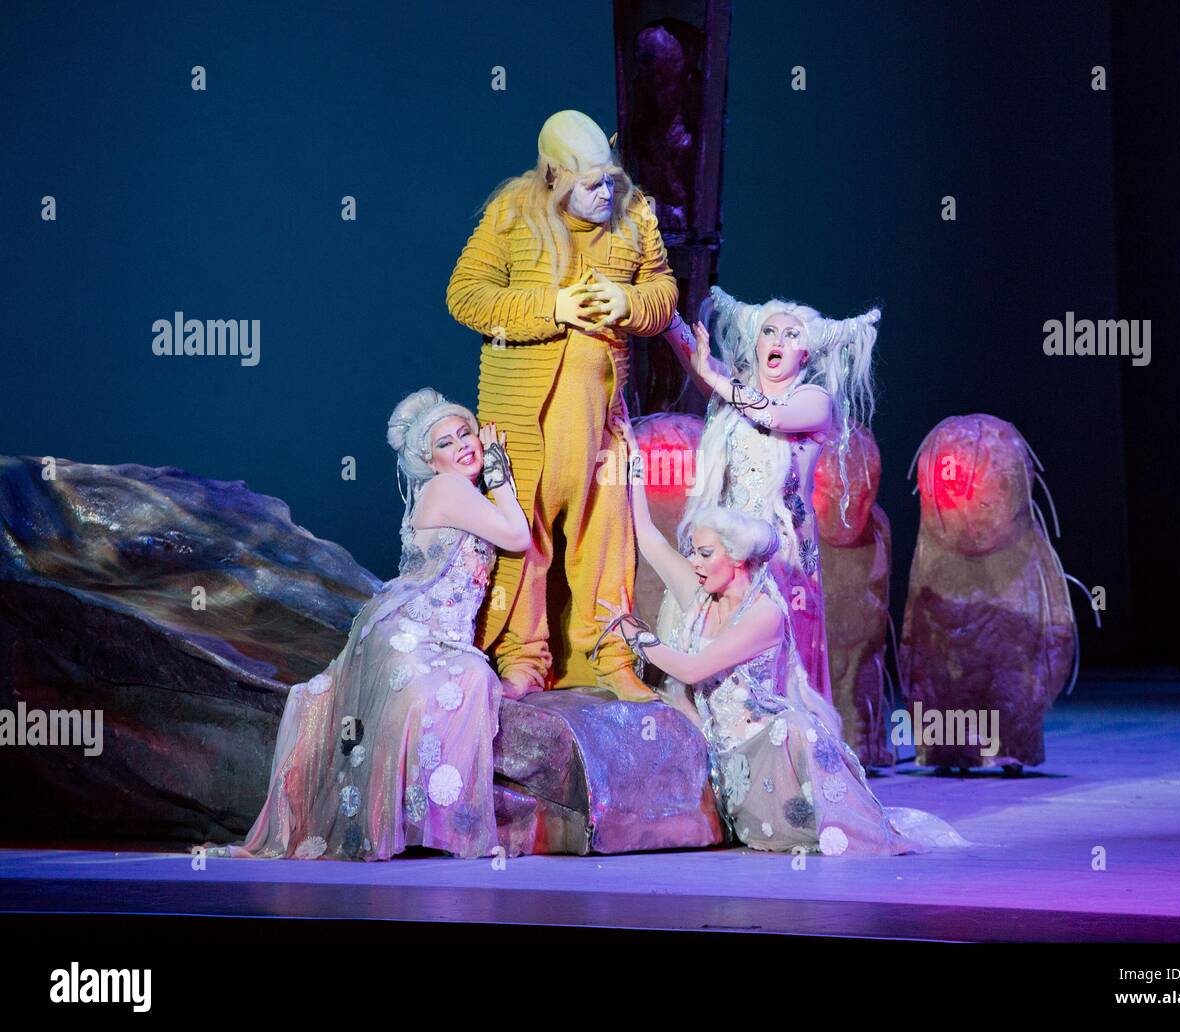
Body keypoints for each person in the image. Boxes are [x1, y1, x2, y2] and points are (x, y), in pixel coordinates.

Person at [595, 419, 967, 856]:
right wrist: (634, 465)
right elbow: (652, 542)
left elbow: (694, 667)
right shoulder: (698, 595)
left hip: (763, 748)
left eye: (705, 553)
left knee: (798, 730)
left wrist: (640, 640)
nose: (694, 561)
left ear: (735, 558)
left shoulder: (766, 615)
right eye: (694, 551)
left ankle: (840, 825)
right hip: (720, 751)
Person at [208, 389, 529, 861]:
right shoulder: (448, 488)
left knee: (470, 678)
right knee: (470, 680)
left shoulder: (456, 490)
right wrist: (500, 468)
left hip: (433, 635)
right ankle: (432, 827)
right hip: (412, 633)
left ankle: (427, 826)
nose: (463, 445)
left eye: (467, 433)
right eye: (446, 442)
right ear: (428, 459)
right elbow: (518, 535)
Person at [446, 109, 678, 702]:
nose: (606, 193)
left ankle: (611, 657)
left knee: (606, 545)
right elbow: (466, 296)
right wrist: (552, 307)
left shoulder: (634, 215)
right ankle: (523, 657)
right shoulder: (512, 214)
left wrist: (626, 300)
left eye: (610, 178)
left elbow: (663, 293)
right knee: (521, 544)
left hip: (599, 425)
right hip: (525, 424)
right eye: (590, 184)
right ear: (553, 175)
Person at [658, 286, 882, 731]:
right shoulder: (733, 395)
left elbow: (770, 415)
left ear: (806, 354)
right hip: (723, 552)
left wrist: (716, 377)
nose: (778, 341)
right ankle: (709, 763)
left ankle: (776, 765)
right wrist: (664, 311)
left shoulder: (813, 401)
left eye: (791, 335)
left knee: (771, 665)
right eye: (769, 331)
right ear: (756, 343)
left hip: (781, 557)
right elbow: (696, 359)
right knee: (703, 647)